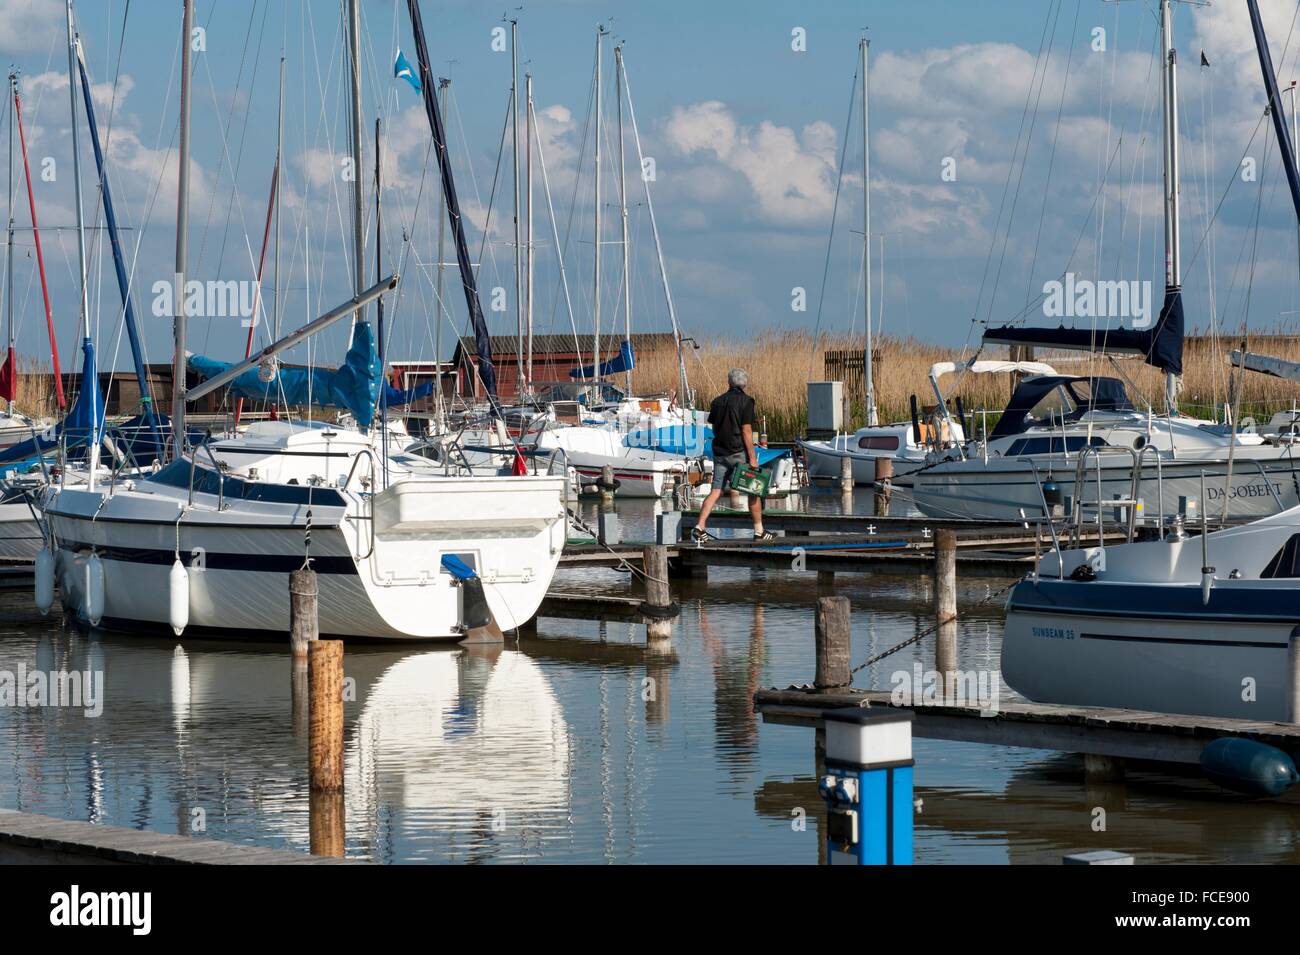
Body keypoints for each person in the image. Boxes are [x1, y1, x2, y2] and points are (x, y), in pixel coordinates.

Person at [692, 368, 774, 544]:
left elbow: (714, 428)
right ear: (745, 384)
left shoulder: (717, 402)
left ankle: (700, 527)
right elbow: (746, 430)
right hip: (738, 453)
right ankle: (759, 531)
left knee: (715, 491)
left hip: (720, 453)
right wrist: (752, 458)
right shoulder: (747, 402)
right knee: (753, 490)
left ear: (729, 383)